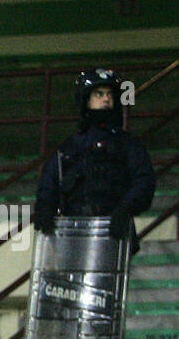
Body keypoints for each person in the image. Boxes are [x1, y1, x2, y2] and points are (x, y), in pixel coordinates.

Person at [34, 67, 156, 253]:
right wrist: (45, 208)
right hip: (73, 232)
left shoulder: (128, 144)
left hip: (115, 231)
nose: (106, 99)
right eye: (99, 94)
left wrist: (125, 209)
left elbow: (144, 180)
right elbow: (49, 182)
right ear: (86, 100)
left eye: (110, 95)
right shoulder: (70, 146)